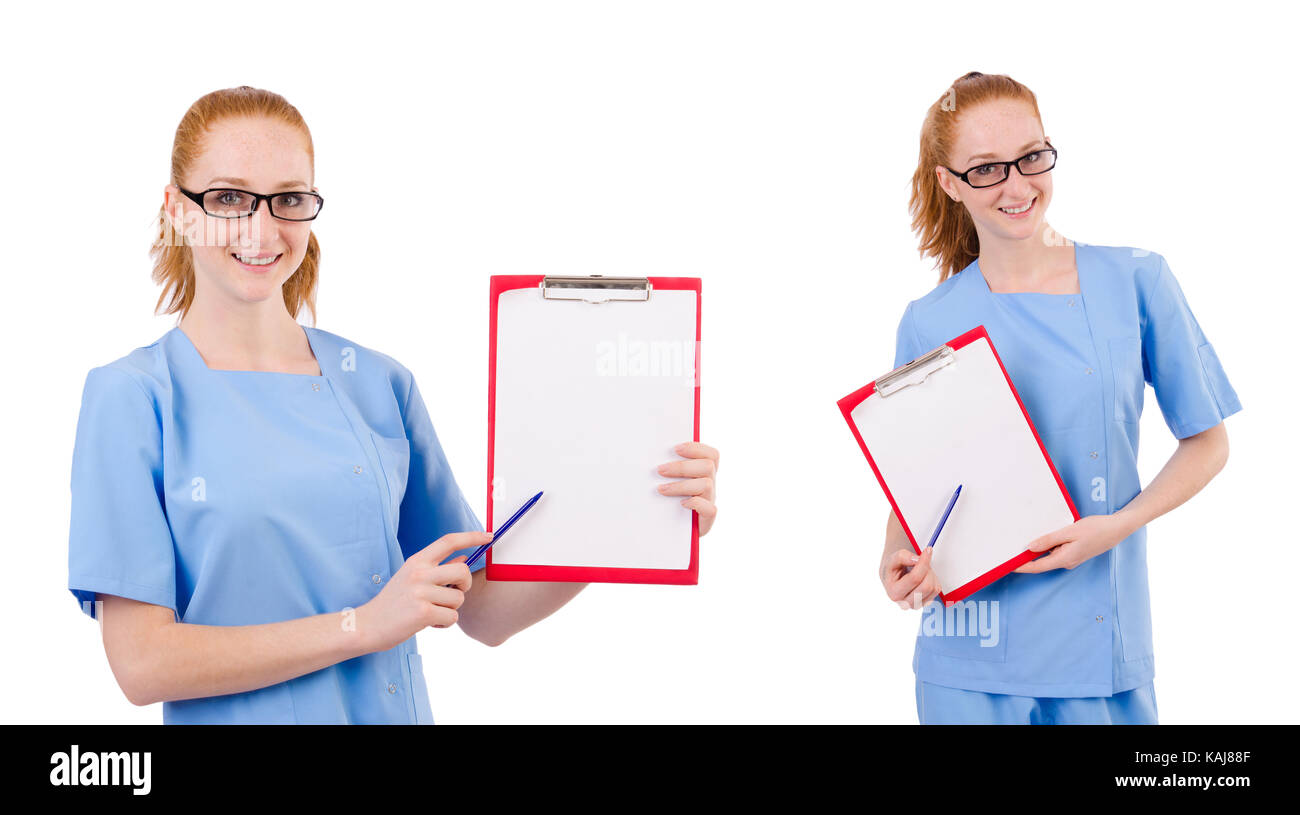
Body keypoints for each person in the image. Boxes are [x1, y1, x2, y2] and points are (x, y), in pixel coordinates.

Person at [67, 86, 720, 724]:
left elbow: (483, 610)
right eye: (230, 198)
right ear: (178, 209)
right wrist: (362, 626)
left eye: (289, 199)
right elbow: (143, 662)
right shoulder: (133, 397)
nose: (262, 228)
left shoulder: (377, 383)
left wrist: (633, 515)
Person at [878, 72, 1239, 724]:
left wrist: (1118, 525)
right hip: (967, 662)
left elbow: (1209, 442)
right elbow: (920, 487)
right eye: (986, 169)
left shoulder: (1135, 280)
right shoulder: (929, 321)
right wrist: (895, 559)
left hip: (1099, 651)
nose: (1017, 186)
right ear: (948, 183)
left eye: (1031, 157)